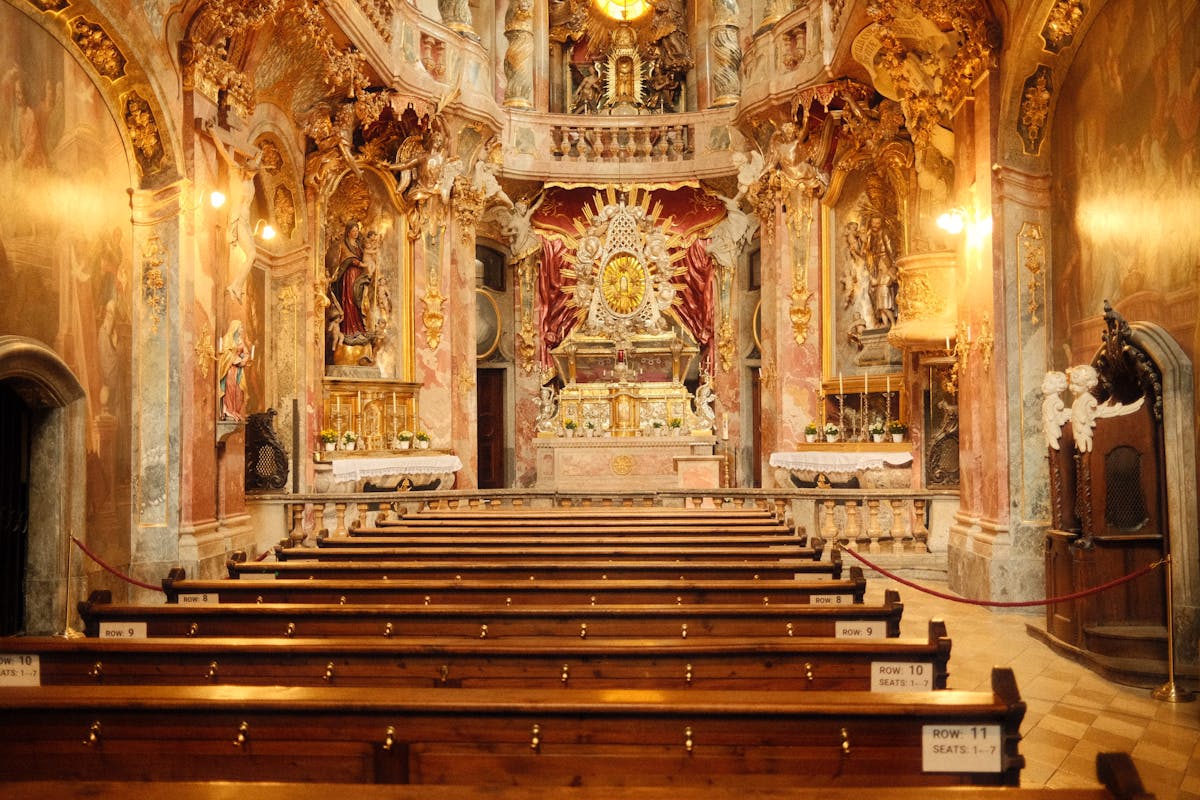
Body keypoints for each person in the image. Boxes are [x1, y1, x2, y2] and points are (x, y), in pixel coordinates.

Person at [326, 221, 372, 344]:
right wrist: (360, 263)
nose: (356, 233)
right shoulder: (343, 244)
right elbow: (347, 258)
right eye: (353, 231)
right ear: (348, 232)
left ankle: (359, 328)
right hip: (349, 275)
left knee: (358, 301)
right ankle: (349, 330)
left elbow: (365, 255)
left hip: (358, 275)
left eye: (357, 231)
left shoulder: (358, 245)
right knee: (350, 300)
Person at [218, 320, 252, 421]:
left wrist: (244, 360)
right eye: (240, 327)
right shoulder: (227, 338)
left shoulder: (240, 340)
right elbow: (225, 353)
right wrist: (234, 359)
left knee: (239, 390)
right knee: (230, 388)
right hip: (229, 369)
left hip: (239, 370)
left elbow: (246, 353)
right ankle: (228, 410)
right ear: (235, 328)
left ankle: (235, 410)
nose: (242, 330)